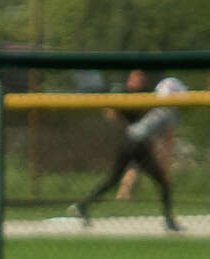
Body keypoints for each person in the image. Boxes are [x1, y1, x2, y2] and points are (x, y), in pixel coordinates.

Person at [69, 70, 185, 232]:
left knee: (114, 179)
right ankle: (169, 220)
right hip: (137, 144)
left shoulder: (156, 105)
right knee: (163, 181)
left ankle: (83, 206)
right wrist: (166, 165)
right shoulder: (169, 111)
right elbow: (168, 139)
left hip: (129, 141)